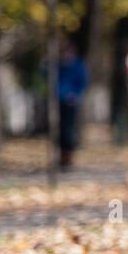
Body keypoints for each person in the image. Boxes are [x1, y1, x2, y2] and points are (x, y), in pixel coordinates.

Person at [56, 38, 89, 169]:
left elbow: (82, 83)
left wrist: (75, 95)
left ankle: (68, 157)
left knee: (68, 130)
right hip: (59, 100)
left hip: (70, 102)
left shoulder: (77, 66)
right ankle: (62, 156)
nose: (66, 55)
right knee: (60, 130)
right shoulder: (59, 66)